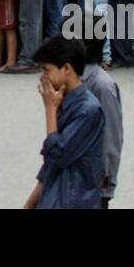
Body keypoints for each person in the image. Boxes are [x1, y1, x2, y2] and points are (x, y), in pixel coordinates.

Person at [22, 36, 105, 210]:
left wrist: (50, 111)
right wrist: (30, 203)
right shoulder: (65, 101)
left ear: (66, 68)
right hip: (55, 196)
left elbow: (57, 156)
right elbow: (50, 166)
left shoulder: (87, 110)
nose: (43, 78)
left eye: (46, 70)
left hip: (73, 200)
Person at [79, 37, 124, 208]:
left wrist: (105, 183)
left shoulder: (102, 86)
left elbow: (111, 138)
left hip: (93, 186)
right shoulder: (73, 79)